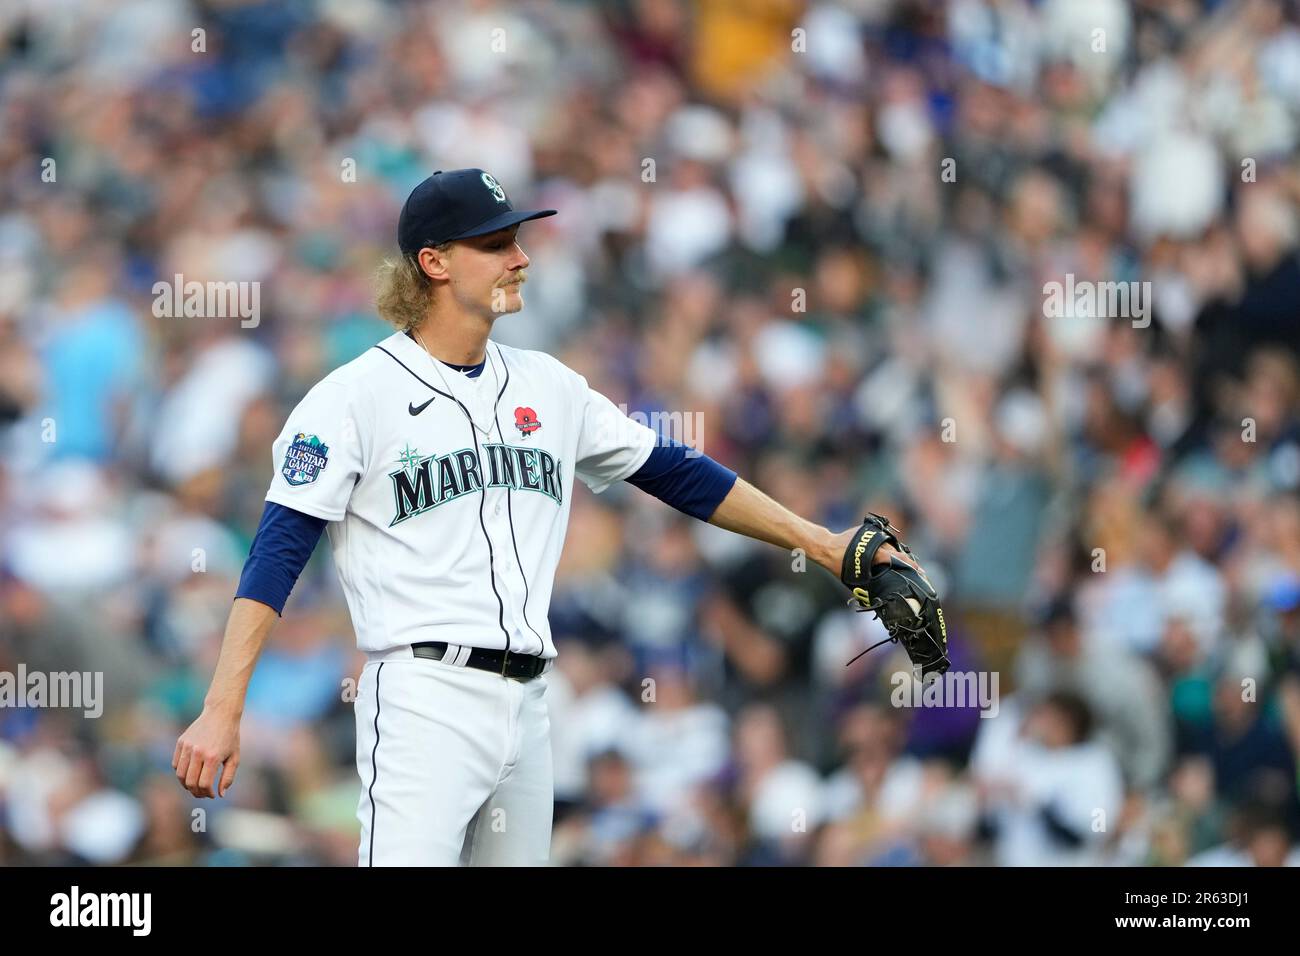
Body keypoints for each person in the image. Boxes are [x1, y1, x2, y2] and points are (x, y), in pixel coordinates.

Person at [172, 168, 920, 865]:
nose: (519, 257)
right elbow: (277, 553)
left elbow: (679, 474)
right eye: (496, 244)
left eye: (518, 240)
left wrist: (820, 543)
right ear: (433, 263)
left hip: (531, 703)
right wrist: (221, 708)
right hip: (424, 698)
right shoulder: (352, 398)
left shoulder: (549, 387)